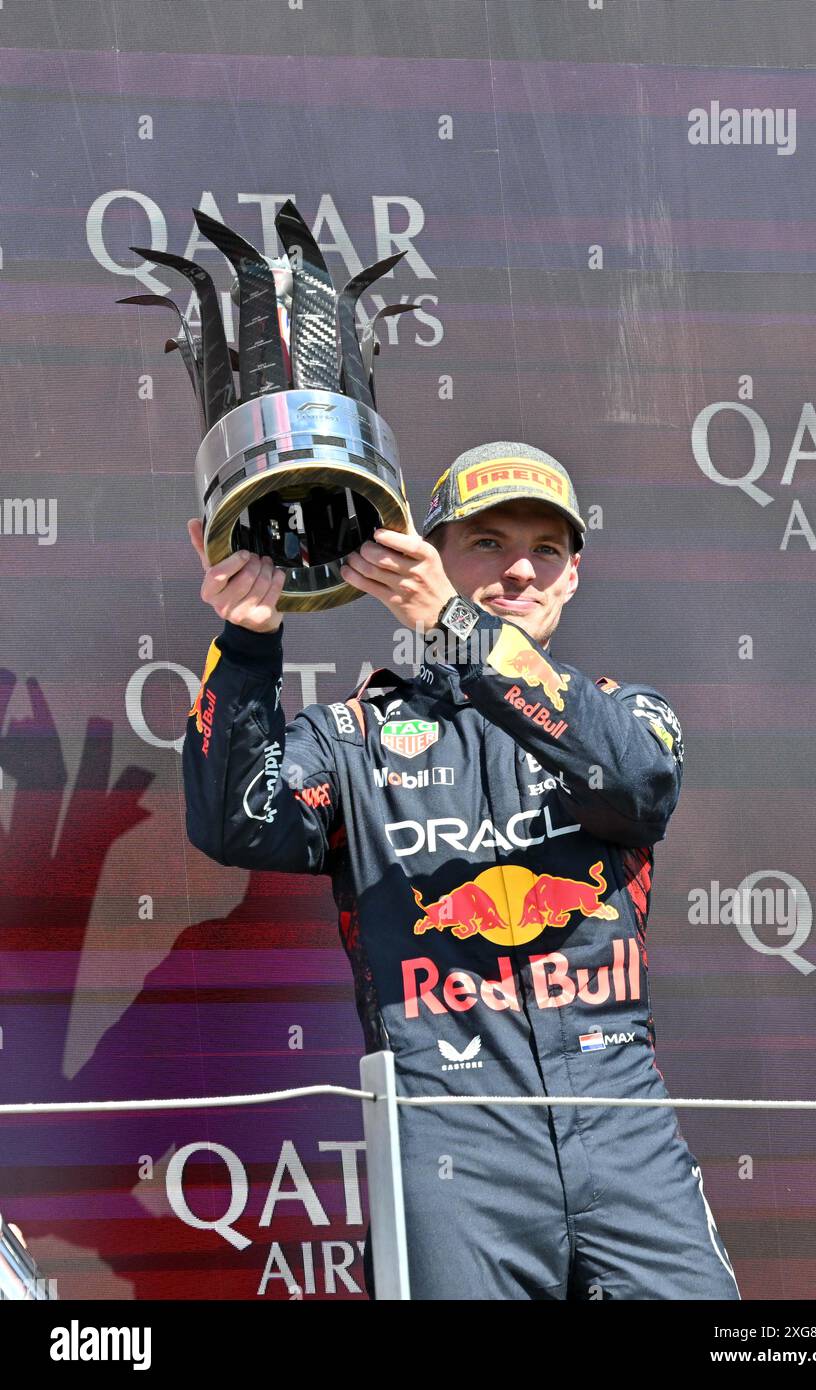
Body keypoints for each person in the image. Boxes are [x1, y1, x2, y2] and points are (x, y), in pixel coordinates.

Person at [182, 440, 740, 1301]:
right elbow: (237, 825)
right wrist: (246, 646)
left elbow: (635, 785)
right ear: (432, 555)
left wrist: (457, 626)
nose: (519, 569)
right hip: (449, 1148)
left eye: (543, 550)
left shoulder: (629, 713)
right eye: (487, 542)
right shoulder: (354, 737)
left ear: (572, 577)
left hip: (625, 1132)